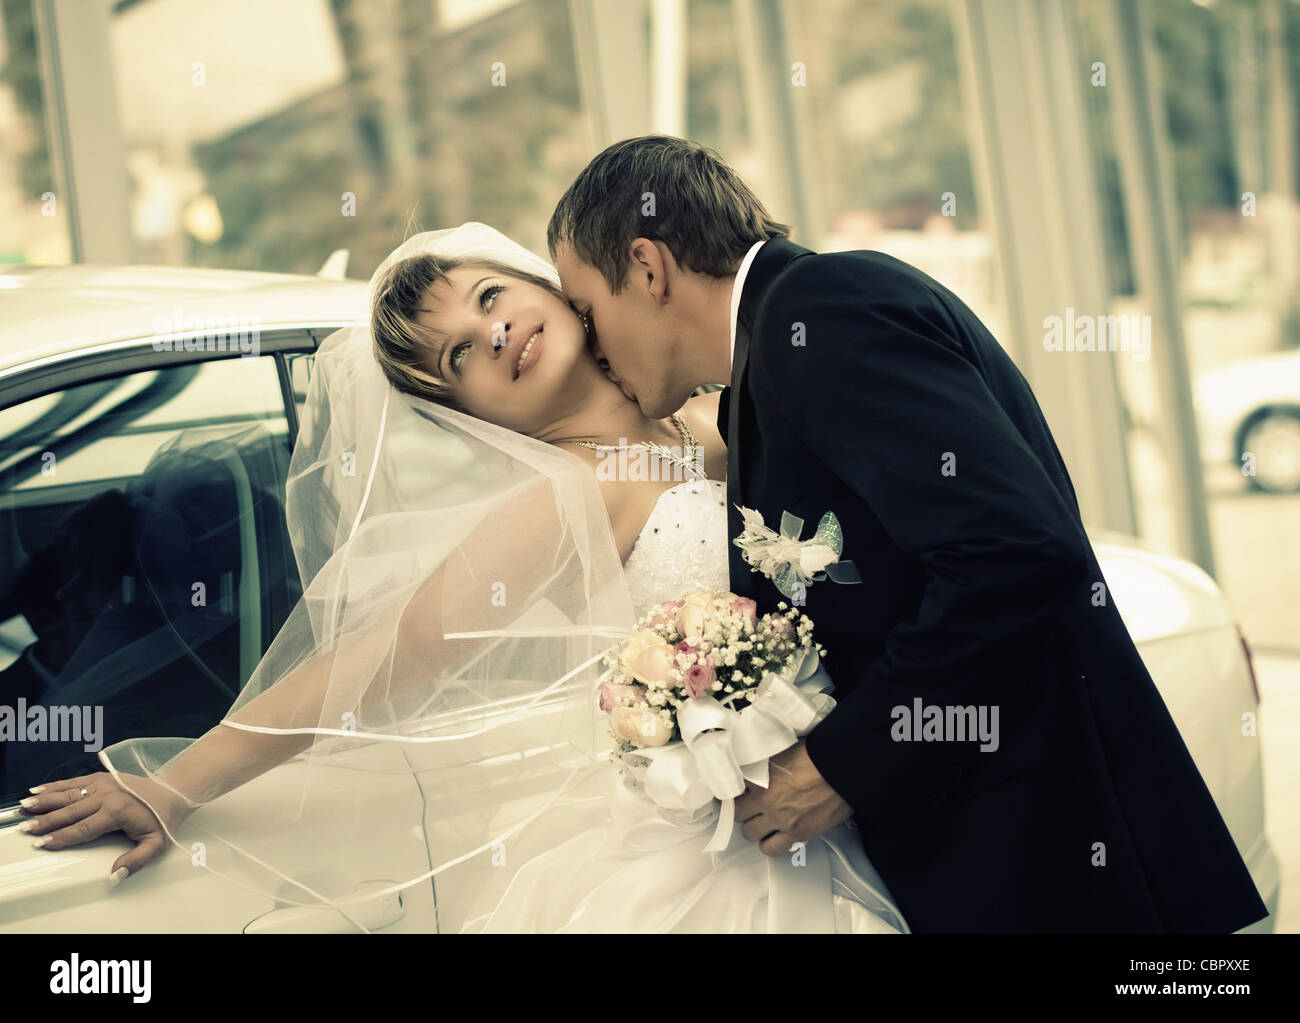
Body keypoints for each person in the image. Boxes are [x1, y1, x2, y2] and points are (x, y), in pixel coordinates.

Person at [13, 223, 906, 933]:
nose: (493, 333)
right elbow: (383, 654)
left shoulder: (703, 417)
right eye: (458, 358)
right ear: (466, 414)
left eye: (490, 299)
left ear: (544, 286)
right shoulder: (568, 494)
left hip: (828, 795)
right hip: (728, 862)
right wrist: (174, 783)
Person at [547, 134, 1269, 934]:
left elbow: (1016, 554)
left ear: (648, 268)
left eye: (586, 311)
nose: (590, 346)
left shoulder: (821, 311)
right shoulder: (767, 366)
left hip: (1048, 842)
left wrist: (841, 764)